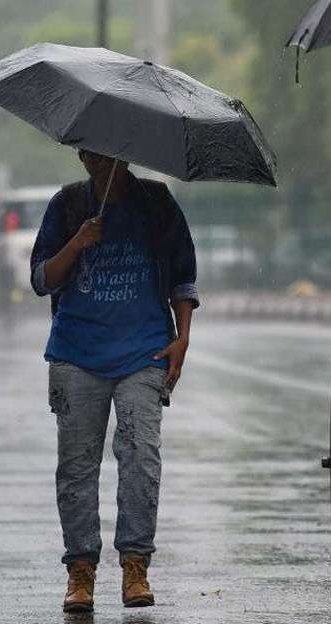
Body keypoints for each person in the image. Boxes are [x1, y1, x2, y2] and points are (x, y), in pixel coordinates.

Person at [29, 150, 199, 613]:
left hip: (144, 353)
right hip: (76, 355)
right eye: (90, 153)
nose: (99, 162)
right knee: (77, 466)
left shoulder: (158, 203)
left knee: (141, 455)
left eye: (110, 154)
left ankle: (135, 565)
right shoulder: (66, 205)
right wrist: (77, 243)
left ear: (127, 152)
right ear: (81, 154)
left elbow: (184, 277)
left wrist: (182, 339)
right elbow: (42, 279)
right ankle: (80, 573)